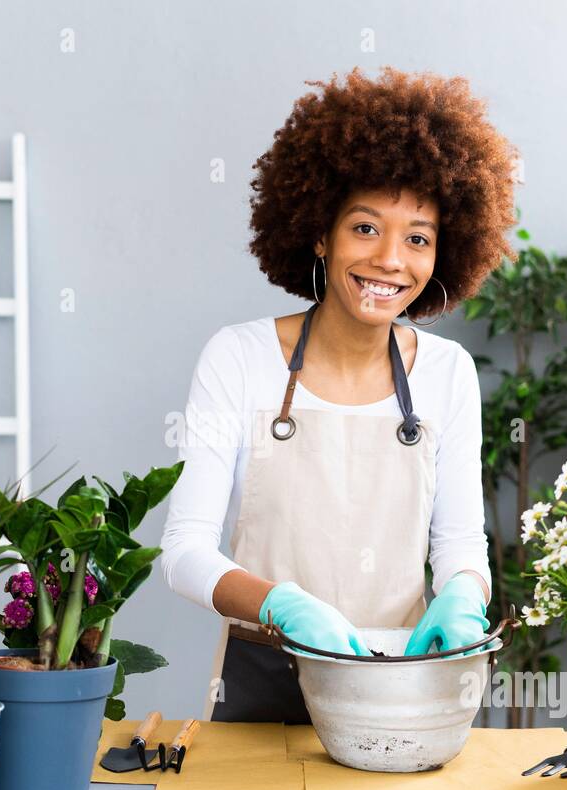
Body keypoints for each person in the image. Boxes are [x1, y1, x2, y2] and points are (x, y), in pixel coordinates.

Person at [160, 68, 518, 722]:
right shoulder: (238, 357)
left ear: (444, 254)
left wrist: (464, 597)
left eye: (417, 237)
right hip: (264, 674)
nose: (389, 259)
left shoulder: (447, 373)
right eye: (364, 228)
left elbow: (463, 544)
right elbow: (183, 553)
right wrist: (281, 605)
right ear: (320, 233)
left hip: (404, 677)